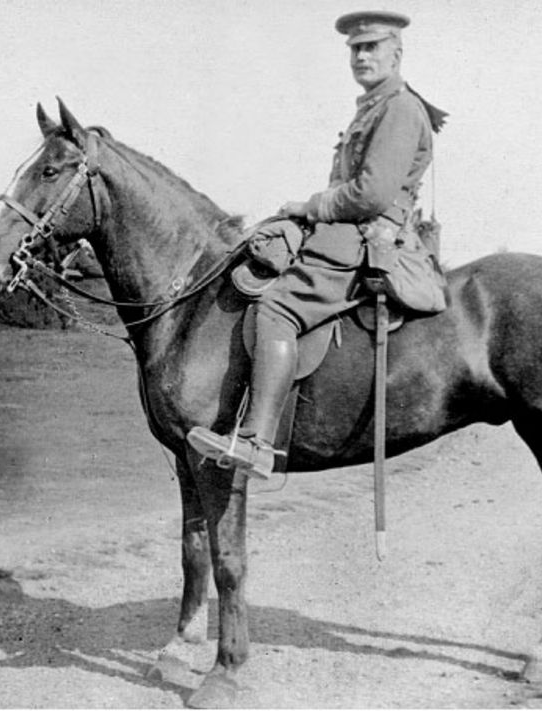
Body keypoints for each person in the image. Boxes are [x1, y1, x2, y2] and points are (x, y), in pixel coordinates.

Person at [187, 10, 446, 479]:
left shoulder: (400, 109)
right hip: (347, 231)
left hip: (364, 239)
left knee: (277, 308)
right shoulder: (375, 106)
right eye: (355, 49)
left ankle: (257, 442)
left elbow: (371, 194)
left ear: (396, 52)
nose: (361, 56)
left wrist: (311, 206)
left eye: (371, 46)